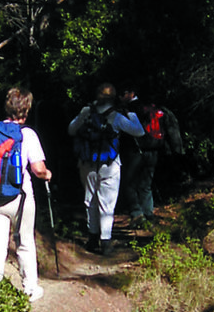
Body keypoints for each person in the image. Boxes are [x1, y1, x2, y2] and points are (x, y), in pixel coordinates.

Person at [0, 87, 52, 301]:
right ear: (26, 110)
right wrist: (48, 174)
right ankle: (30, 288)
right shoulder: (27, 134)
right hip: (20, 198)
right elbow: (38, 169)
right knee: (24, 242)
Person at [68, 82, 143, 255]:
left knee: (90, 200)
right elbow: (138, 131)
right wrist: (130, 112)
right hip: (110, 165)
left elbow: (71, 130)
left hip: (87, 163)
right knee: (107, 204)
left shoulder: (86, 112)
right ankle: (106, 242)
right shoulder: (116, 116)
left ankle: (92, 238)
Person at [119, 89, 181, 223]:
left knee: (129, 183)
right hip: (154, 150)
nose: (120, 97)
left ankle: (137, 213)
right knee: (146, 184)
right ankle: (148, 213)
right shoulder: (155, 108)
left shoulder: (129, 109)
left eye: (122, 93)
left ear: (129, 94)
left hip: (135, 151)